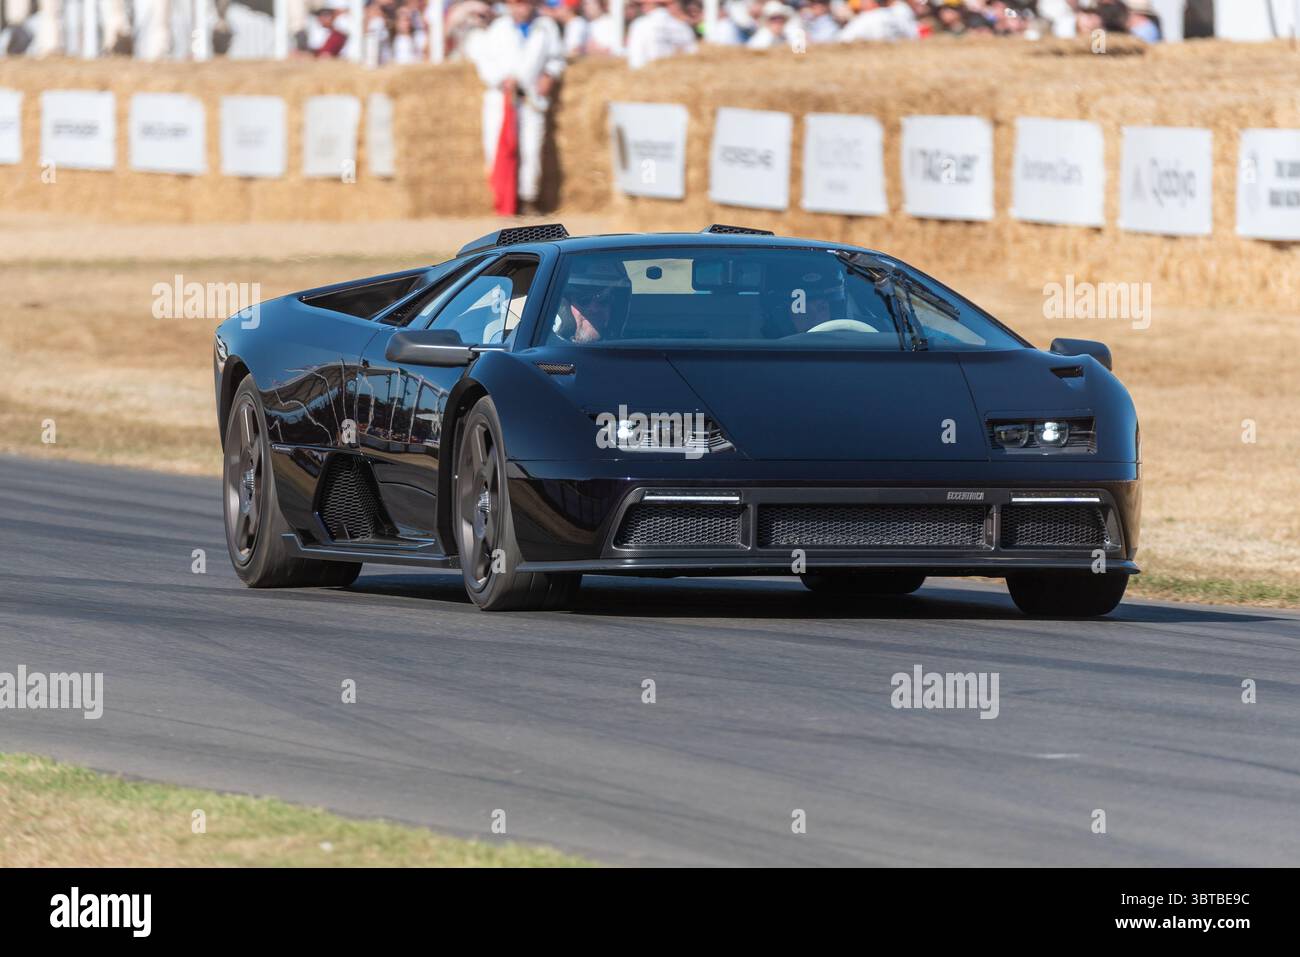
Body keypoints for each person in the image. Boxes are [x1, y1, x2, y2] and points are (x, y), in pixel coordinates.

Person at [467, 0, 566, 213]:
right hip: (502, 98)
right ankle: (504, 199)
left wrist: (549, 74)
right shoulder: (497, 29)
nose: (520, 8)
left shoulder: (545, 26)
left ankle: (528, 197)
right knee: (498, 147)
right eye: (516, 4)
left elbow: (557, 58)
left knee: (531, 148)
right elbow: (484, 63)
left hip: (530, 98)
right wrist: (504, 79)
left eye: (525, 4)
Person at [626, 0, 696, 69]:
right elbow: (691, 55)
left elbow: (636, 58)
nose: (641, 8)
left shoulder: (640, 24)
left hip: (649, 75)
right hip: (676, 75)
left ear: (650, 4)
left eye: (641, 4)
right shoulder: (683, 27)